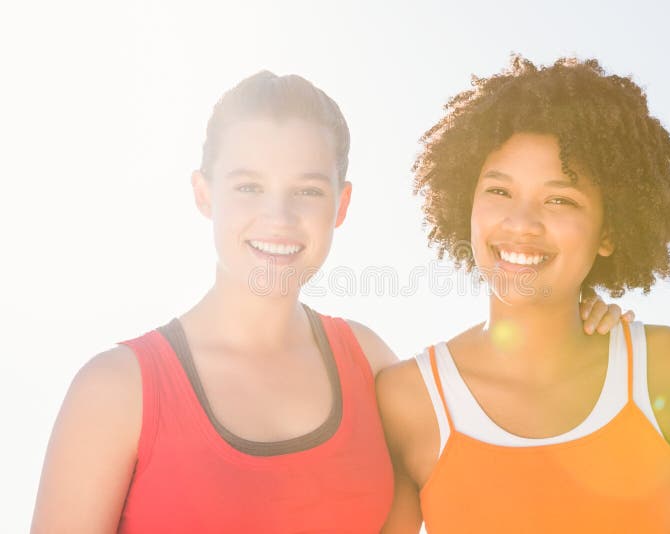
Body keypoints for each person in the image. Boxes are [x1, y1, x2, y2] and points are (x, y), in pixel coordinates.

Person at [31, 70, 626, 533]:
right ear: (203, 194)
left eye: (307, 191)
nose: (279, 217)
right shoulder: (116, 391)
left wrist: (576, 315)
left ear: (340, 207)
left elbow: (490, 414)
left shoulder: (368, 363)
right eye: (248, 186)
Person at [377, 57, 670, 534]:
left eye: (560, 200)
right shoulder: (406, 400)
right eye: (499, 191)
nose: (522, 223)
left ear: (609, 231)